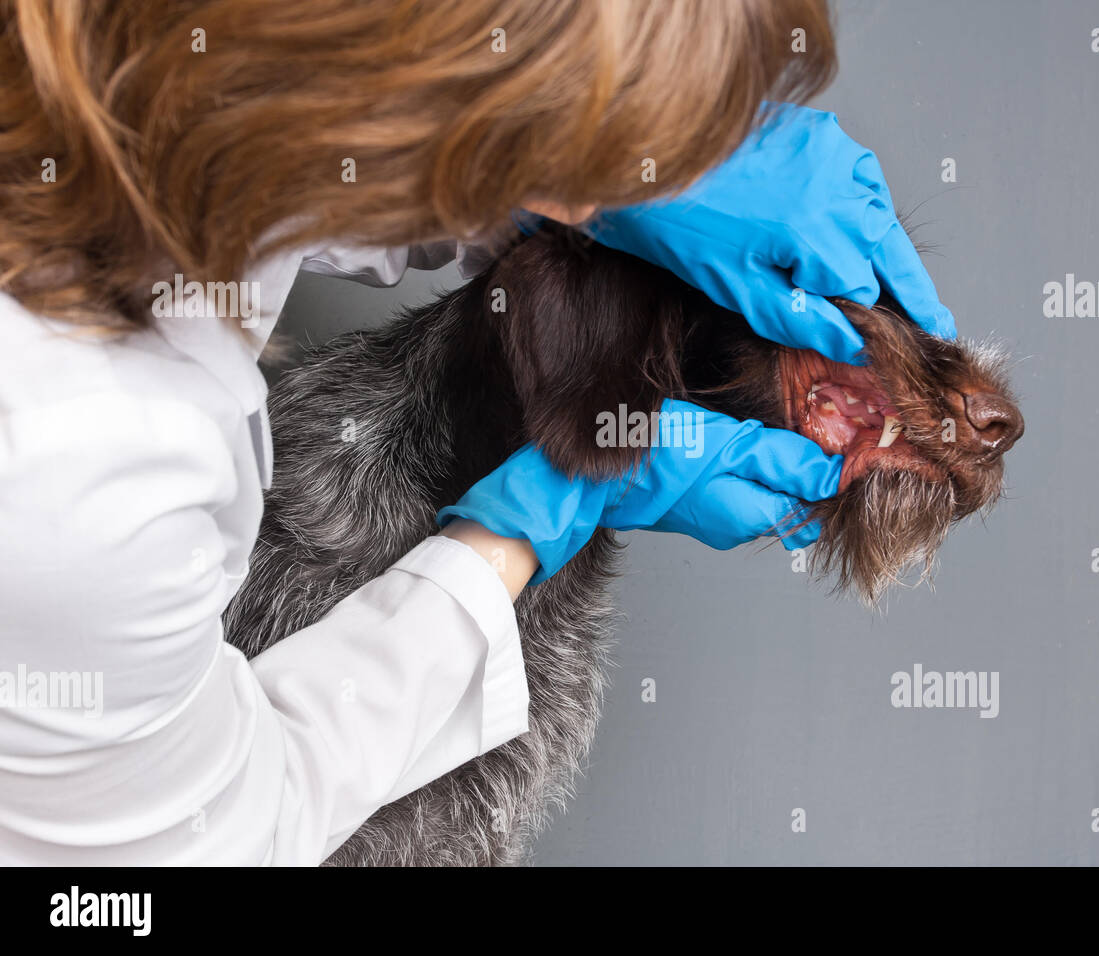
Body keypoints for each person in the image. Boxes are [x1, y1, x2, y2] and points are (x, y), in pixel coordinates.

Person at [0, 0, 953, 864]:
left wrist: (636, 187)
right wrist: (511, 537)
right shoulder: (79, 467)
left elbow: (291, 156)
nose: (578, 207)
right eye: (584, 146)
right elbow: (193, 844)